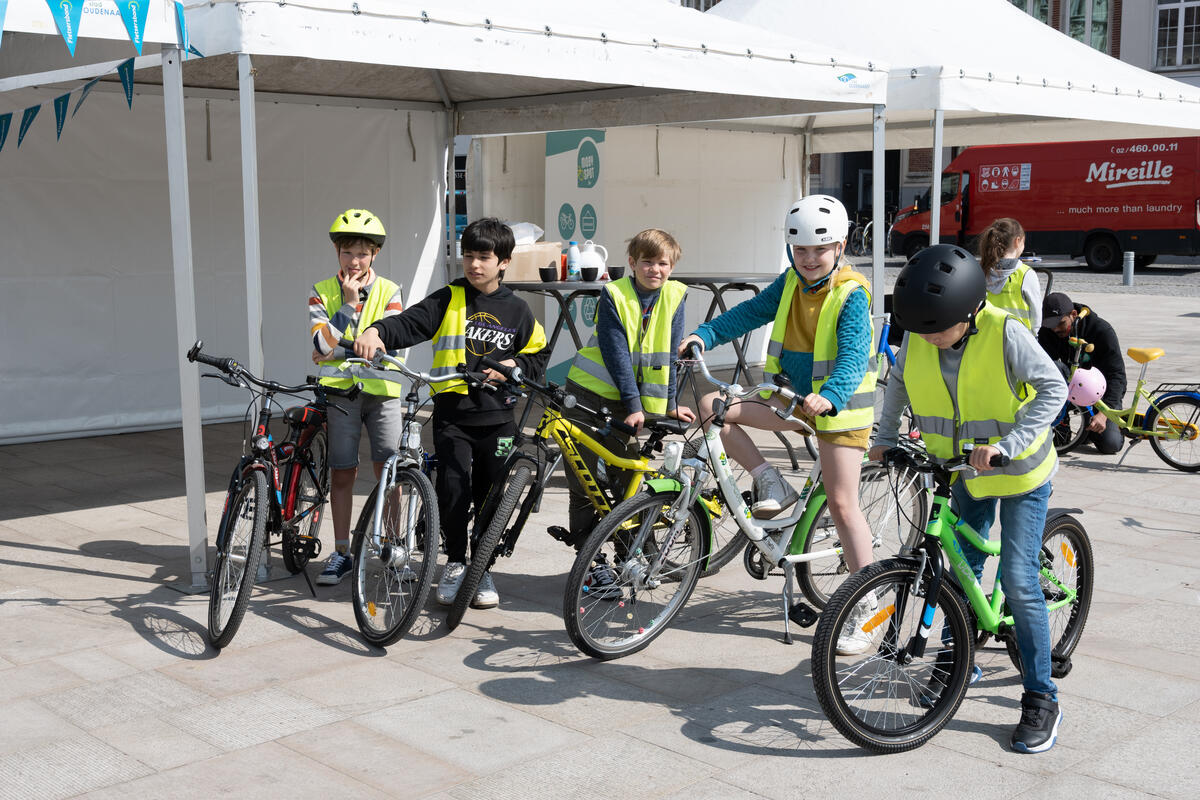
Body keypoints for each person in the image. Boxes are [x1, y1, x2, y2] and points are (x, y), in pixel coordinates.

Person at [871, 243, 1068, 754]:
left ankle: (1041, 697)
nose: (929, 340)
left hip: (1019, 472)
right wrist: (886, 436)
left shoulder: (1006, 332)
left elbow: (1054, 388)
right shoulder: (920, 332)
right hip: (961, 471)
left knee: (1018, 582)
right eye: (922, 331)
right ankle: (960, 659)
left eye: (939, 330)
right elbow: (897, 382)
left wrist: (1008, 446)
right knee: (962, 568)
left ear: (970, 312)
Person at [677, 195, 876, 655]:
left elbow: (850, 356)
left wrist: (830, 396)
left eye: (819, 250)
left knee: (844, 506)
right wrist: (703, 335)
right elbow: (749, 313)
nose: (808, 259)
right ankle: (771, 482)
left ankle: (867, 606)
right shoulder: (790, 281)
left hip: (838, 413)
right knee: (713, 405)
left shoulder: (852, 293)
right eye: (800, 250)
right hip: (790, 401)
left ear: (841, 246)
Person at [352, 218, 548, 609]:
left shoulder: (519, 310)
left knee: (492, 495)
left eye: (485, 258)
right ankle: (457, 562)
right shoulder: (449, 298)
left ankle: (483, 568)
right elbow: (410, 323)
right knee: (453, 491)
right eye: (469, 256)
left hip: (499, 418)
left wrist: (515, 367)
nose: (475, 265)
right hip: (452, 415)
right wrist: (376, 331)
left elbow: (538, 355)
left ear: (504, 262)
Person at [552, 229, 695, 560]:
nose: (654, 270)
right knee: (583, 481)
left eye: (662, 263)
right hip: (589, 394)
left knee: (628, 477)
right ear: (632, 263)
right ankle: (590, 558)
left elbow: (669, 357)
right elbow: (616, 354)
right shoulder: (614, 294)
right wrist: (634, 406)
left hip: (626, 403)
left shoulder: (675, 297)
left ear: (672, 266)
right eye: (647, 262)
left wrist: (670, 404)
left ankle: (632, 552)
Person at [309, 209, 406, 586]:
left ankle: (394, 549)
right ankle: (342, 551)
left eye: (362, 253)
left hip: (382, 393)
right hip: (340, 394)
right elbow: (319, 344)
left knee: (390, 474)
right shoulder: (322, 290)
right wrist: (348, 306)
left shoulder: (390, 290)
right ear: (337, 251)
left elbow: (394, 346)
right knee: (342, 472)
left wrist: (336, 347)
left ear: (374, 255)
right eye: (348, 252)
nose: (355, 261)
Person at [1038, 292, 1127, 455]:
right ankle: (1063, 426)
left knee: (1110, 444)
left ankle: (1092, 428)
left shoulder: (1101, 330)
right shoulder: (1048, 331)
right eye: (1051, 325)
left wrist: (1103, 414)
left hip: (1098, 394)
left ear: (1073, 314)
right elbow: (1040, 370)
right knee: (1051, 366)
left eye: (1060, 323)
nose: (1056, 329)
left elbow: (1117, 376)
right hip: (1067, 390)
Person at [978, 217, 1042, 330]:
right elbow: (1036, 315)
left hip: (986, 336)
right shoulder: (1026, 274)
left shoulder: (981, 270)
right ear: (1017, 241)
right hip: (1018, 339)